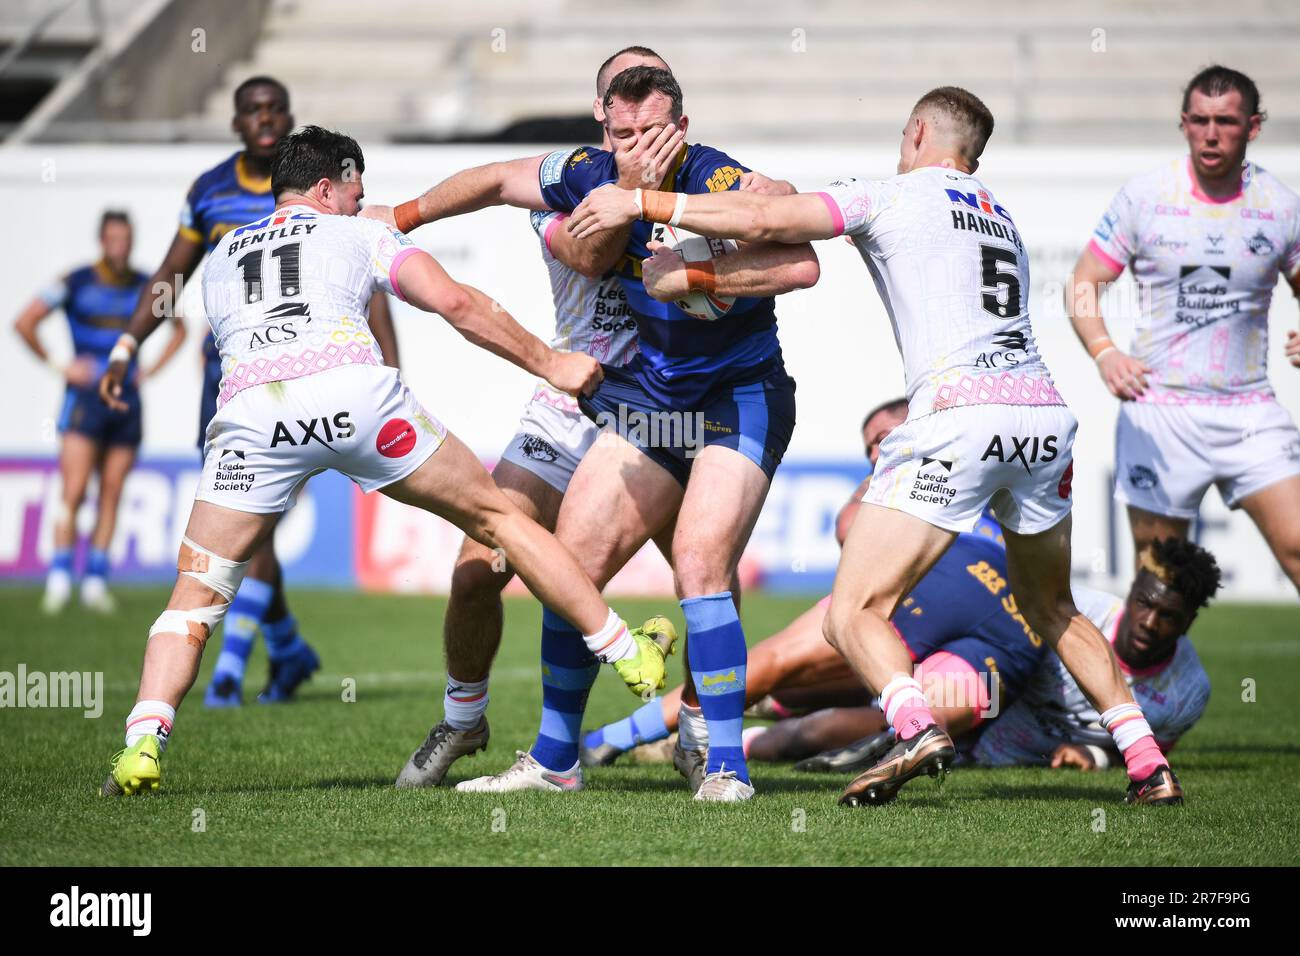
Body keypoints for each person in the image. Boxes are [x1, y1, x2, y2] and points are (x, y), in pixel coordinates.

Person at [569, 85, 1185, 807]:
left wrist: (642, 204)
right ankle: (1148, 763)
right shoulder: (1000, 218)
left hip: (960, 415)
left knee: (849, 614)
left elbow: (769, 217)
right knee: (1055, 609)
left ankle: (914, 722)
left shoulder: (893, 195)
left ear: (918, 132)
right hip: (1045, 418)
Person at [99, 126, 675, 797]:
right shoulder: (357, 234)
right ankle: (624, 650)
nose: (362, 206)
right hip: (357, 399)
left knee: (191, 603)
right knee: (500, 522)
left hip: (252, 419)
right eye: (356, 193)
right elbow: (456, 304)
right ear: (326, 187)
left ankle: (143, 743)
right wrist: (552, 363)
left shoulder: (224, 254)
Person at [380, 66, 819, 801]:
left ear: (679, 123)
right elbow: (525, 204)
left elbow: (800, 258)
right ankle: (555, 760)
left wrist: (699, 274)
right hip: (644, 400)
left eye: (649, 132)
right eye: (621, 134)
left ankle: (724, 765)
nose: (635, 146)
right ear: (600, 124)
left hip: (738, 396)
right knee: (569, 572)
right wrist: (399, 217)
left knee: (702, 564)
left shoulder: (719, 179)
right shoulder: (583, 175)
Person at [99, 76, 400, 707]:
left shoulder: (324, 194)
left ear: (288, 119)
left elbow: (366, 286)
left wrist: (389, 371)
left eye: (274, 109)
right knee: (250, 529)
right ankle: (287, 646)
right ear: (236, 123)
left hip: (322, 375)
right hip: (234, 382)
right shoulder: (209, 193)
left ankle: (234, 666)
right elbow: (168, 279)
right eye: (251, 111)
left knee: (253, 527)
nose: (264, 119)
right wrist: (127, 347)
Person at [583, 398, 1040, 785]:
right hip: (1017, 627)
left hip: (935, 582)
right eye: (869, 447)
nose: (876, 451)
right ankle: (820, 728)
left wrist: (877, 480)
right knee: (897, 713)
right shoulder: (988, 476)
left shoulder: (901, 477)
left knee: (775, 661)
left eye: (884, 436)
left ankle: (613, 738)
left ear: (918, 423)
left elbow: (849, 528)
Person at [1066, 65, 1300, 595]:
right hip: (1161, 410)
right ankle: (1148, 682)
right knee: (1159, 584)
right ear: (1184, 123)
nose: (1211, 134)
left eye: (1226, 121)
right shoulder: (1146, 197)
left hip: (1248, 410)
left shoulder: (1281, 206)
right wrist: (1105, 353)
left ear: (1254, 127)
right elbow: (1083, 282)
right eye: (1199, 120)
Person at [15, 210, 185, 614]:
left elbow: (179, 329)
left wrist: (151, 371)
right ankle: (59, 579)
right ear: (101, 241)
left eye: (125, 239)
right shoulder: (76, 282)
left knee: (112, 492)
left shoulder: (148, 285)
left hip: (126, 401)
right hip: (86, 402)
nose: (120, 246)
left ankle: (95, 581)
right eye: (113, 238)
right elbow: (25, 322)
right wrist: (61, 365)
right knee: (74, 490)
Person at [972, 537, 1219, 771]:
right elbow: (986, 665)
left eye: (1168, 616)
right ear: (1131, 593)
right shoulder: (1066, 615)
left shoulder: (1188, 690)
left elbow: (1146, 757)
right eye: (1144, 603)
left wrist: (1095, 755)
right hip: (969, 739)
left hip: (1031, 765)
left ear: (1189, 622)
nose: (1150, 623)